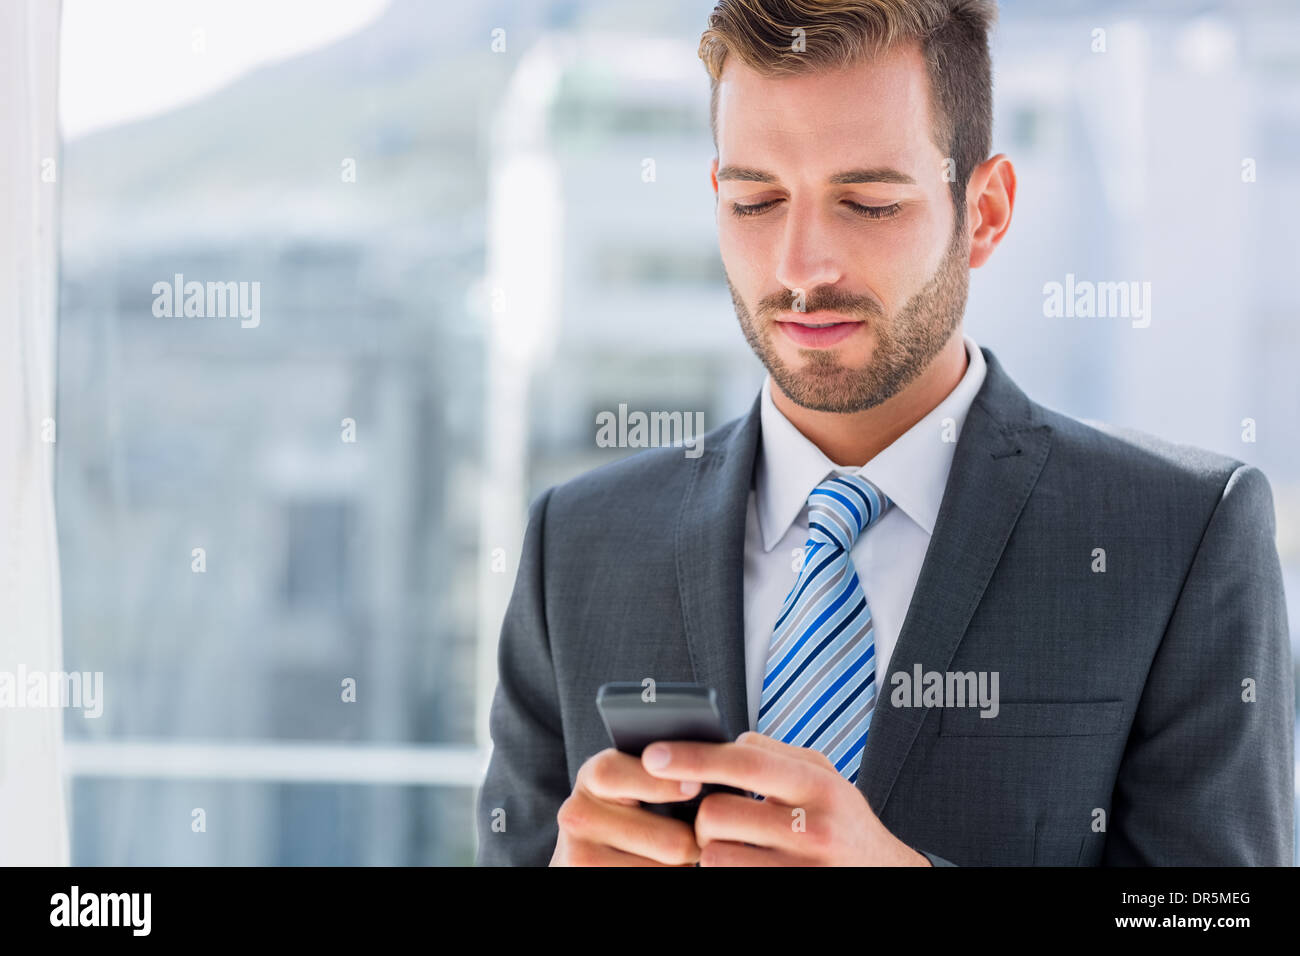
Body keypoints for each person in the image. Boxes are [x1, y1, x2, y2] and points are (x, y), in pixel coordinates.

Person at [476, 0, 1295, 866]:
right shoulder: (579, 545)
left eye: (866, 203)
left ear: (984, 213)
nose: (801, 269)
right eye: (756, 202)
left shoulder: (1180, 536)